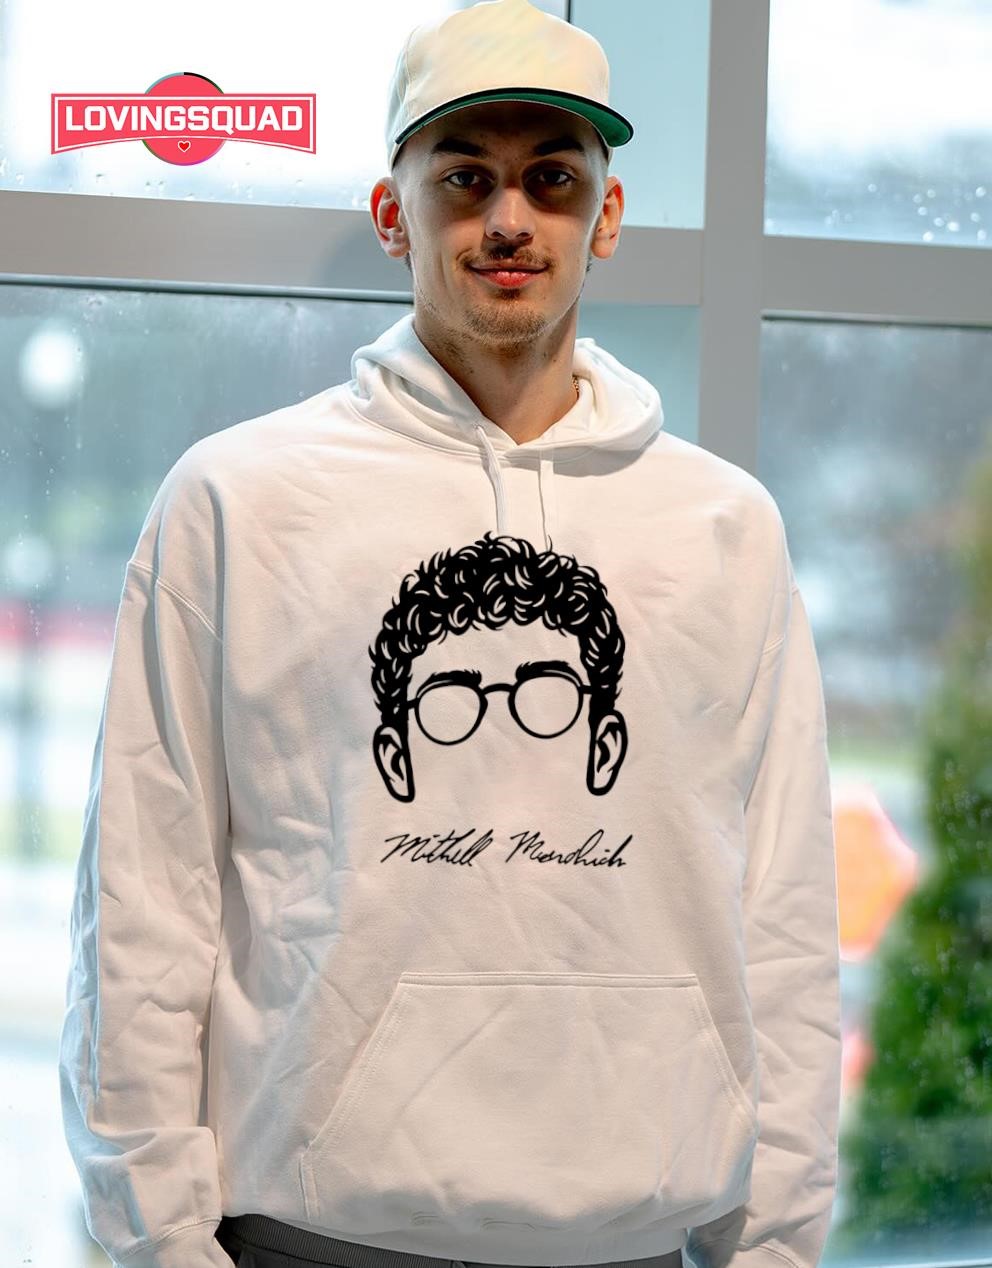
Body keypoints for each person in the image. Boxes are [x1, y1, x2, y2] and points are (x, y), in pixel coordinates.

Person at [57, 1, 842, 1267]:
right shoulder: (238, 502)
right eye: (465, 177)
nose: (509, 219)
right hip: (312, 1237)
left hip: (630, 1243)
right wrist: (158, 1244)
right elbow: (145, 905)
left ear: (607, 216)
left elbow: (784, 919)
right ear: (392, 212)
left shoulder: (723, 528)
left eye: (552, 179)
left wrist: (775, 1247)